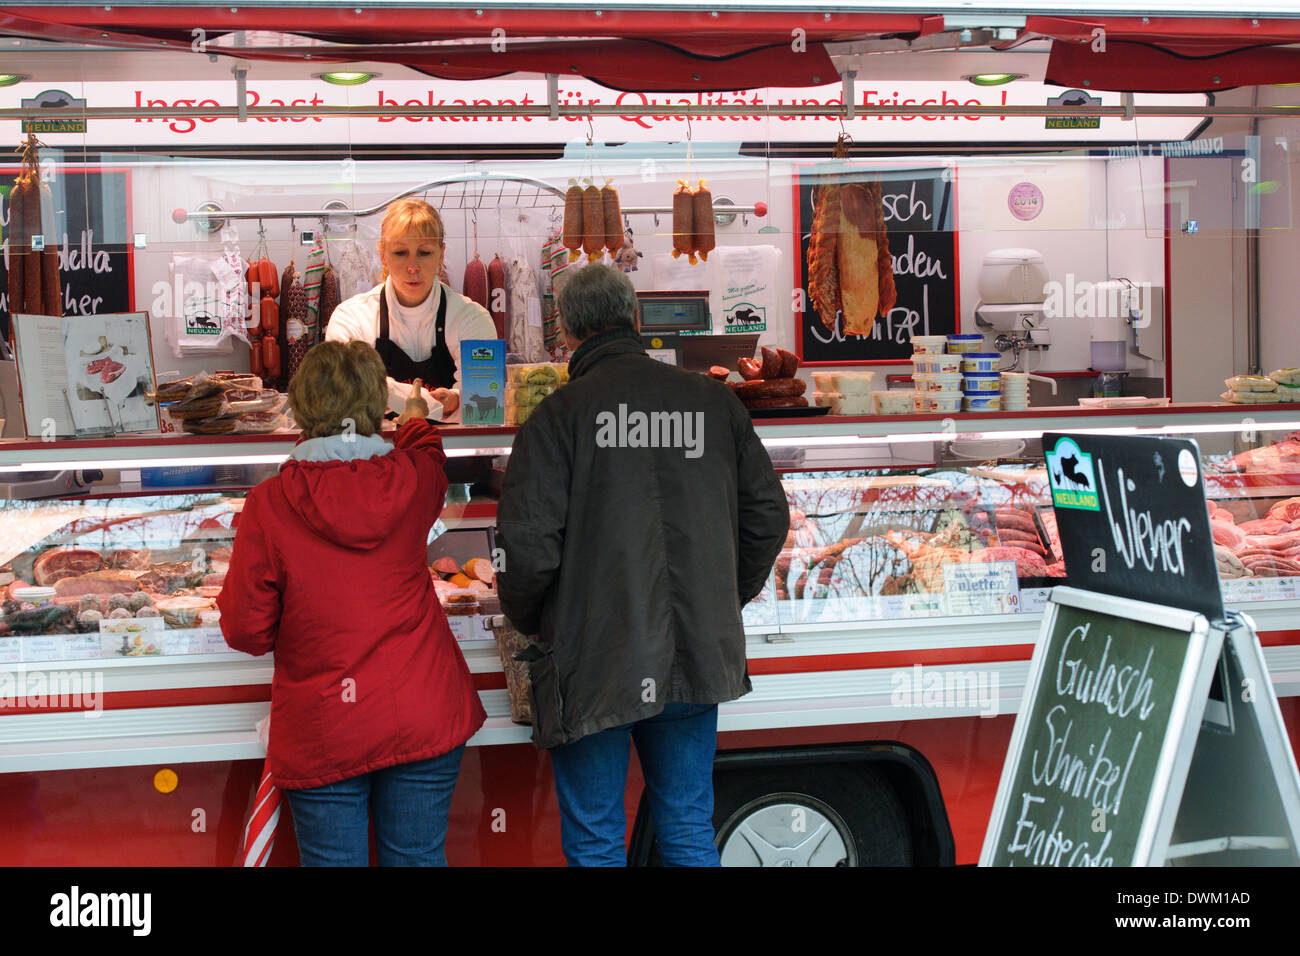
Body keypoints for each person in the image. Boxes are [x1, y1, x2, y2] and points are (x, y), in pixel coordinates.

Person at [495, 264, 789, 866]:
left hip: (595, 656)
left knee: (597, 838)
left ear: (567, 333)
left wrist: (534, 622)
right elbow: (767, 517)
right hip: (696, 652)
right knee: (686, 828)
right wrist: (721, 596)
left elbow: (524, 549)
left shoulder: (556, 416)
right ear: (634, 319)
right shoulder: (712, 400)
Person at [218, 341, 486, 866]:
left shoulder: (269, 504)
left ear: (299, 409)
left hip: (326, 724)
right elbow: (428, 451)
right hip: (422, 708)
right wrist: (413, 417)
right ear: (372, 407)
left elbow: (246, 632)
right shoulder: (415, 478)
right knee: (417, 858)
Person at [326, 197, 496, 421]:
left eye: (424, 252)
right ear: (383, 255)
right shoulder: (351, 318)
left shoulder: (473, 319)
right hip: (379, 453)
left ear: (441, 254)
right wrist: (439, 405)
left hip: (455, 454)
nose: (413, 267)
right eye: (400, 253)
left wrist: (382, 390)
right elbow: (344, 397)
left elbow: (486, 405)